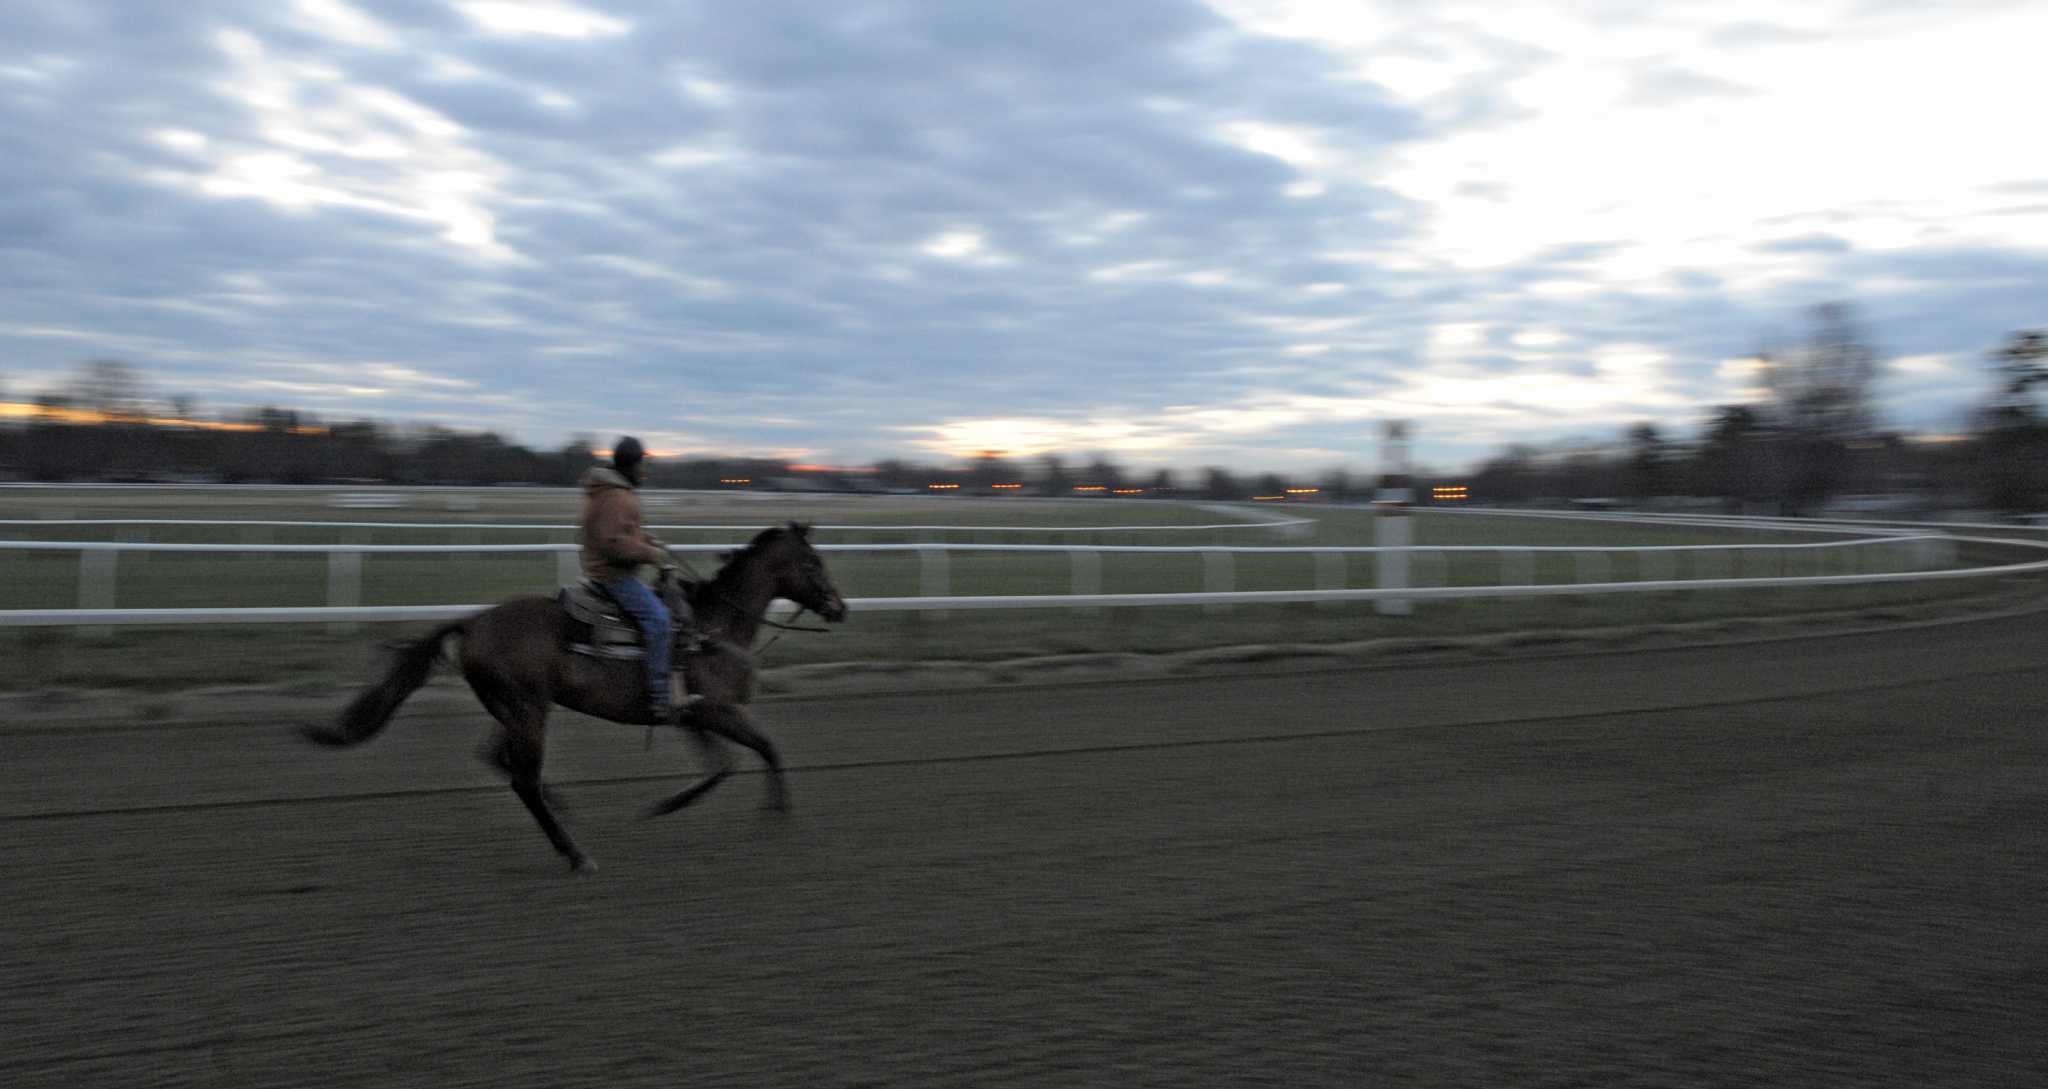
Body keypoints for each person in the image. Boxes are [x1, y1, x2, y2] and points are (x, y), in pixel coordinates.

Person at [579, 436, 695, 722]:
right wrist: (650, 553)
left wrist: (647, 539)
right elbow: (613, 544)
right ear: (630, 465)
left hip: (612, 572)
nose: (646, 471)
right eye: (642, 464)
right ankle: (660, 696)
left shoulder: (615, 492)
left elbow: (625, 531)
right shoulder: (617, 496)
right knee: (659, 620)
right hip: (612, 576)